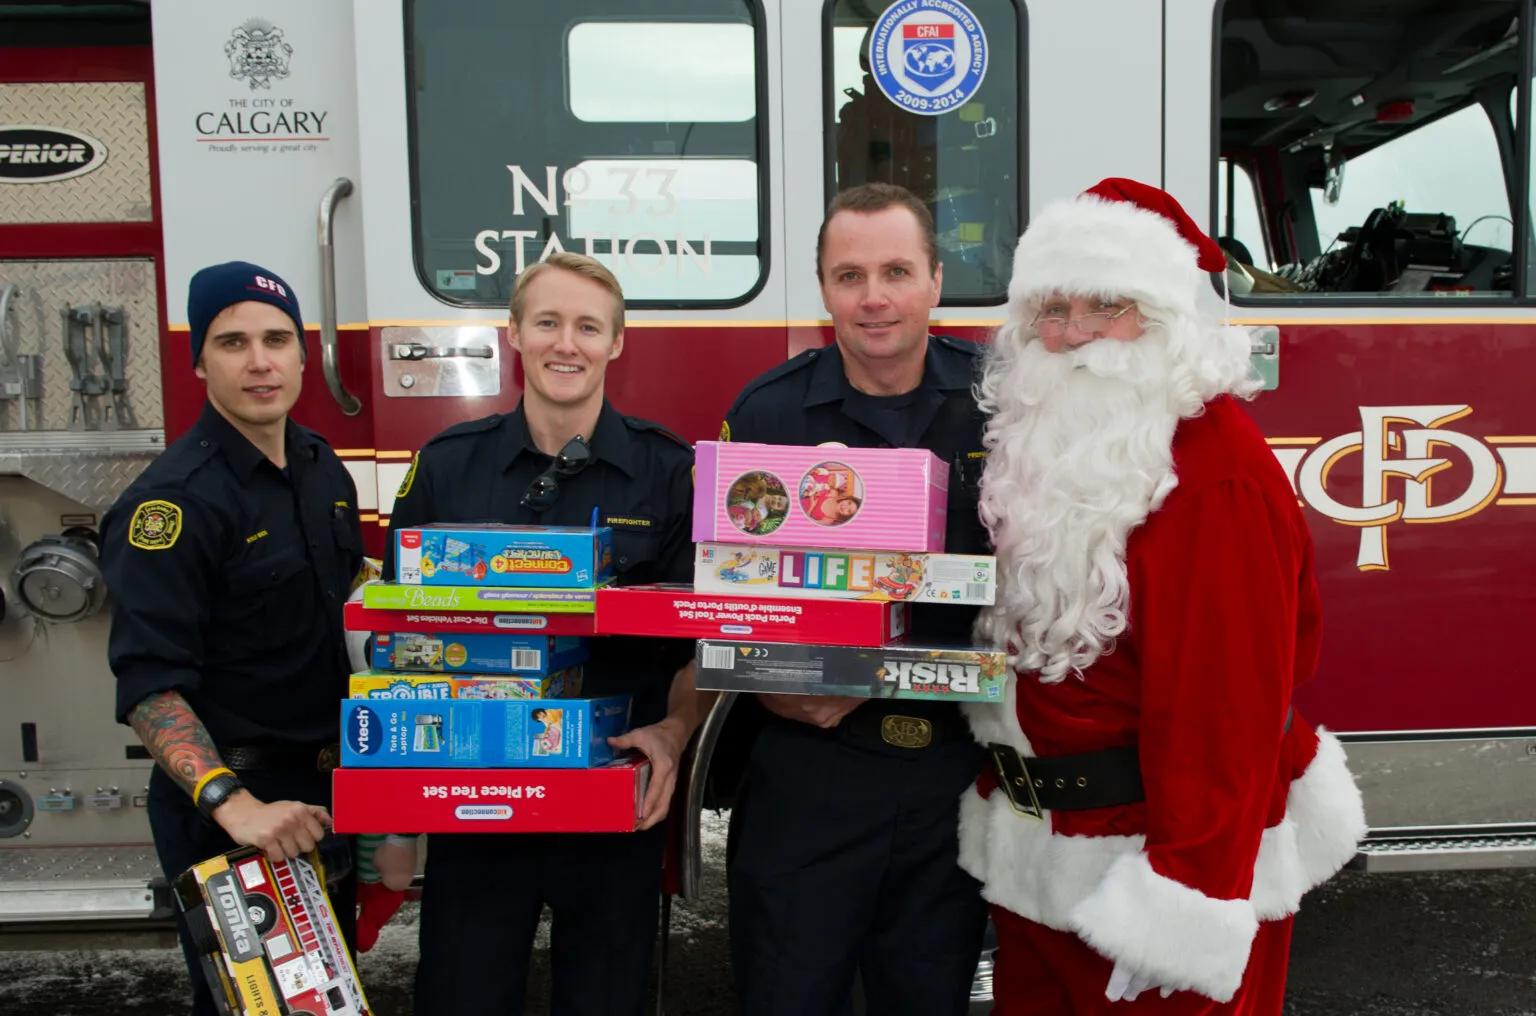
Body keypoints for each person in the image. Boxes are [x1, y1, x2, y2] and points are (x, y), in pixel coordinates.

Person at [958, 178, 1367, 1013]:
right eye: (1052, 308)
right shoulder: (1057, 447)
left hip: (1155, 880)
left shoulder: (1213, 474)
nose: (1074, 336)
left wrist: (1186, 901)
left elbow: (1228, 713)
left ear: (1168, 316)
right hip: (1047, 862)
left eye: (1108, 306)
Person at [385, 252, 707, 1016]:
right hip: (477, 796)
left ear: (616, 343)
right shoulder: (445, 468)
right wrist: (395, 819)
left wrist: (672, 730)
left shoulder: (672, 473)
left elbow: (704, 645)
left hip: (612, 802)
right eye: (549, 323)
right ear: (515, 335)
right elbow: (398, 640)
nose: (569, 344)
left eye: (589, 326)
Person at [720, 182, 990, 1015]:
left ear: (937, 282)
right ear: (824, 289)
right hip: (810, 772)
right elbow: (721, 591)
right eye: (849, 275)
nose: (874, 298)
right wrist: (767, 679)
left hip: (956, 768)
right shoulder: (766, 414)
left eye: (897, 271)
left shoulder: (1002, 403)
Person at [101, 261, 363, 1016]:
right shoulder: (172, 503)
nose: (260, 361)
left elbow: (340, 606)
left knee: (325, 1007)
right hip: (234, 811)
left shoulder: (321, 468)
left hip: (319, 801)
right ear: (199, 360)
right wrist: (235, 806)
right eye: (233, 341)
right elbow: (150, 683)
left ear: (304, 357)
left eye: (278, 339)